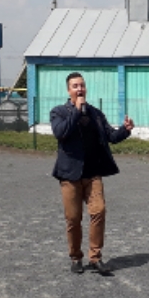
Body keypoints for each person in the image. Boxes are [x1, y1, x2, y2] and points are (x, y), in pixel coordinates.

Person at [51, 72, 134, 275]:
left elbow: (110, 136)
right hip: (70, 175)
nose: (79, 89)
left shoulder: (96, 114)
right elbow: (61, 133)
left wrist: (125, 130)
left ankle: (95, 257)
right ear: (68, 90)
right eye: (75, 86)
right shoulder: (59, 112)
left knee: (99, 212)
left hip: (93, 174)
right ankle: (75, 257)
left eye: (82, 85)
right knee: (73, 218)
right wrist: (76, 111)